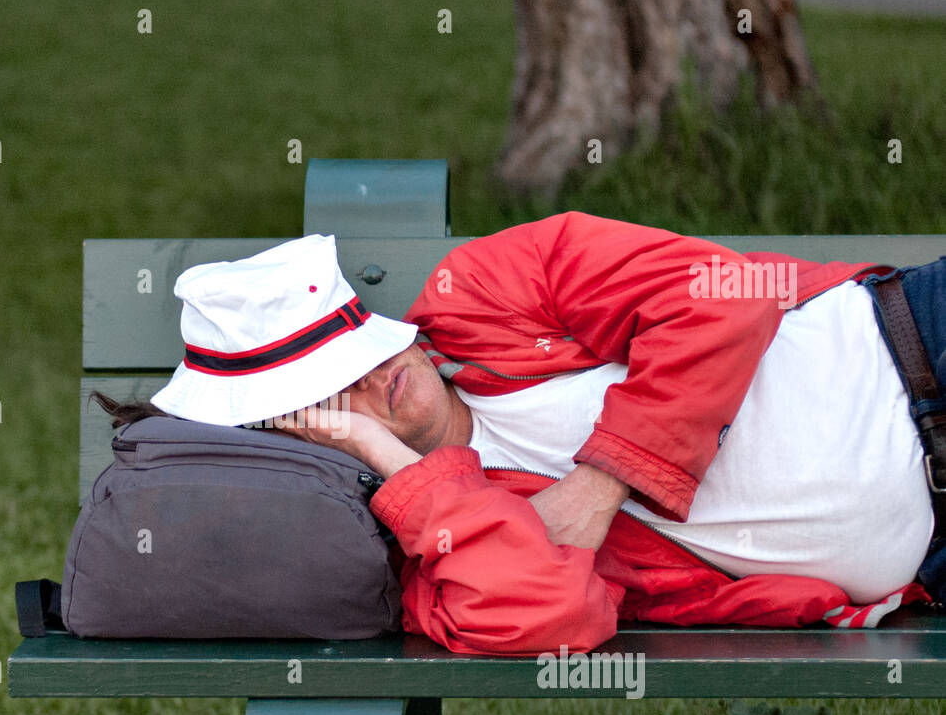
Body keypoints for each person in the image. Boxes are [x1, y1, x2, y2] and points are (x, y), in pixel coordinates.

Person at [103, 214, 943, 656]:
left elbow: (727, 293)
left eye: (354, 339)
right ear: (310, 440)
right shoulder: (434, 541)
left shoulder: (491, 289)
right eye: (331, 392)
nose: (372, 376)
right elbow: (554, 610)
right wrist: (402, 469)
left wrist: (603, 482)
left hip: (920, 351)